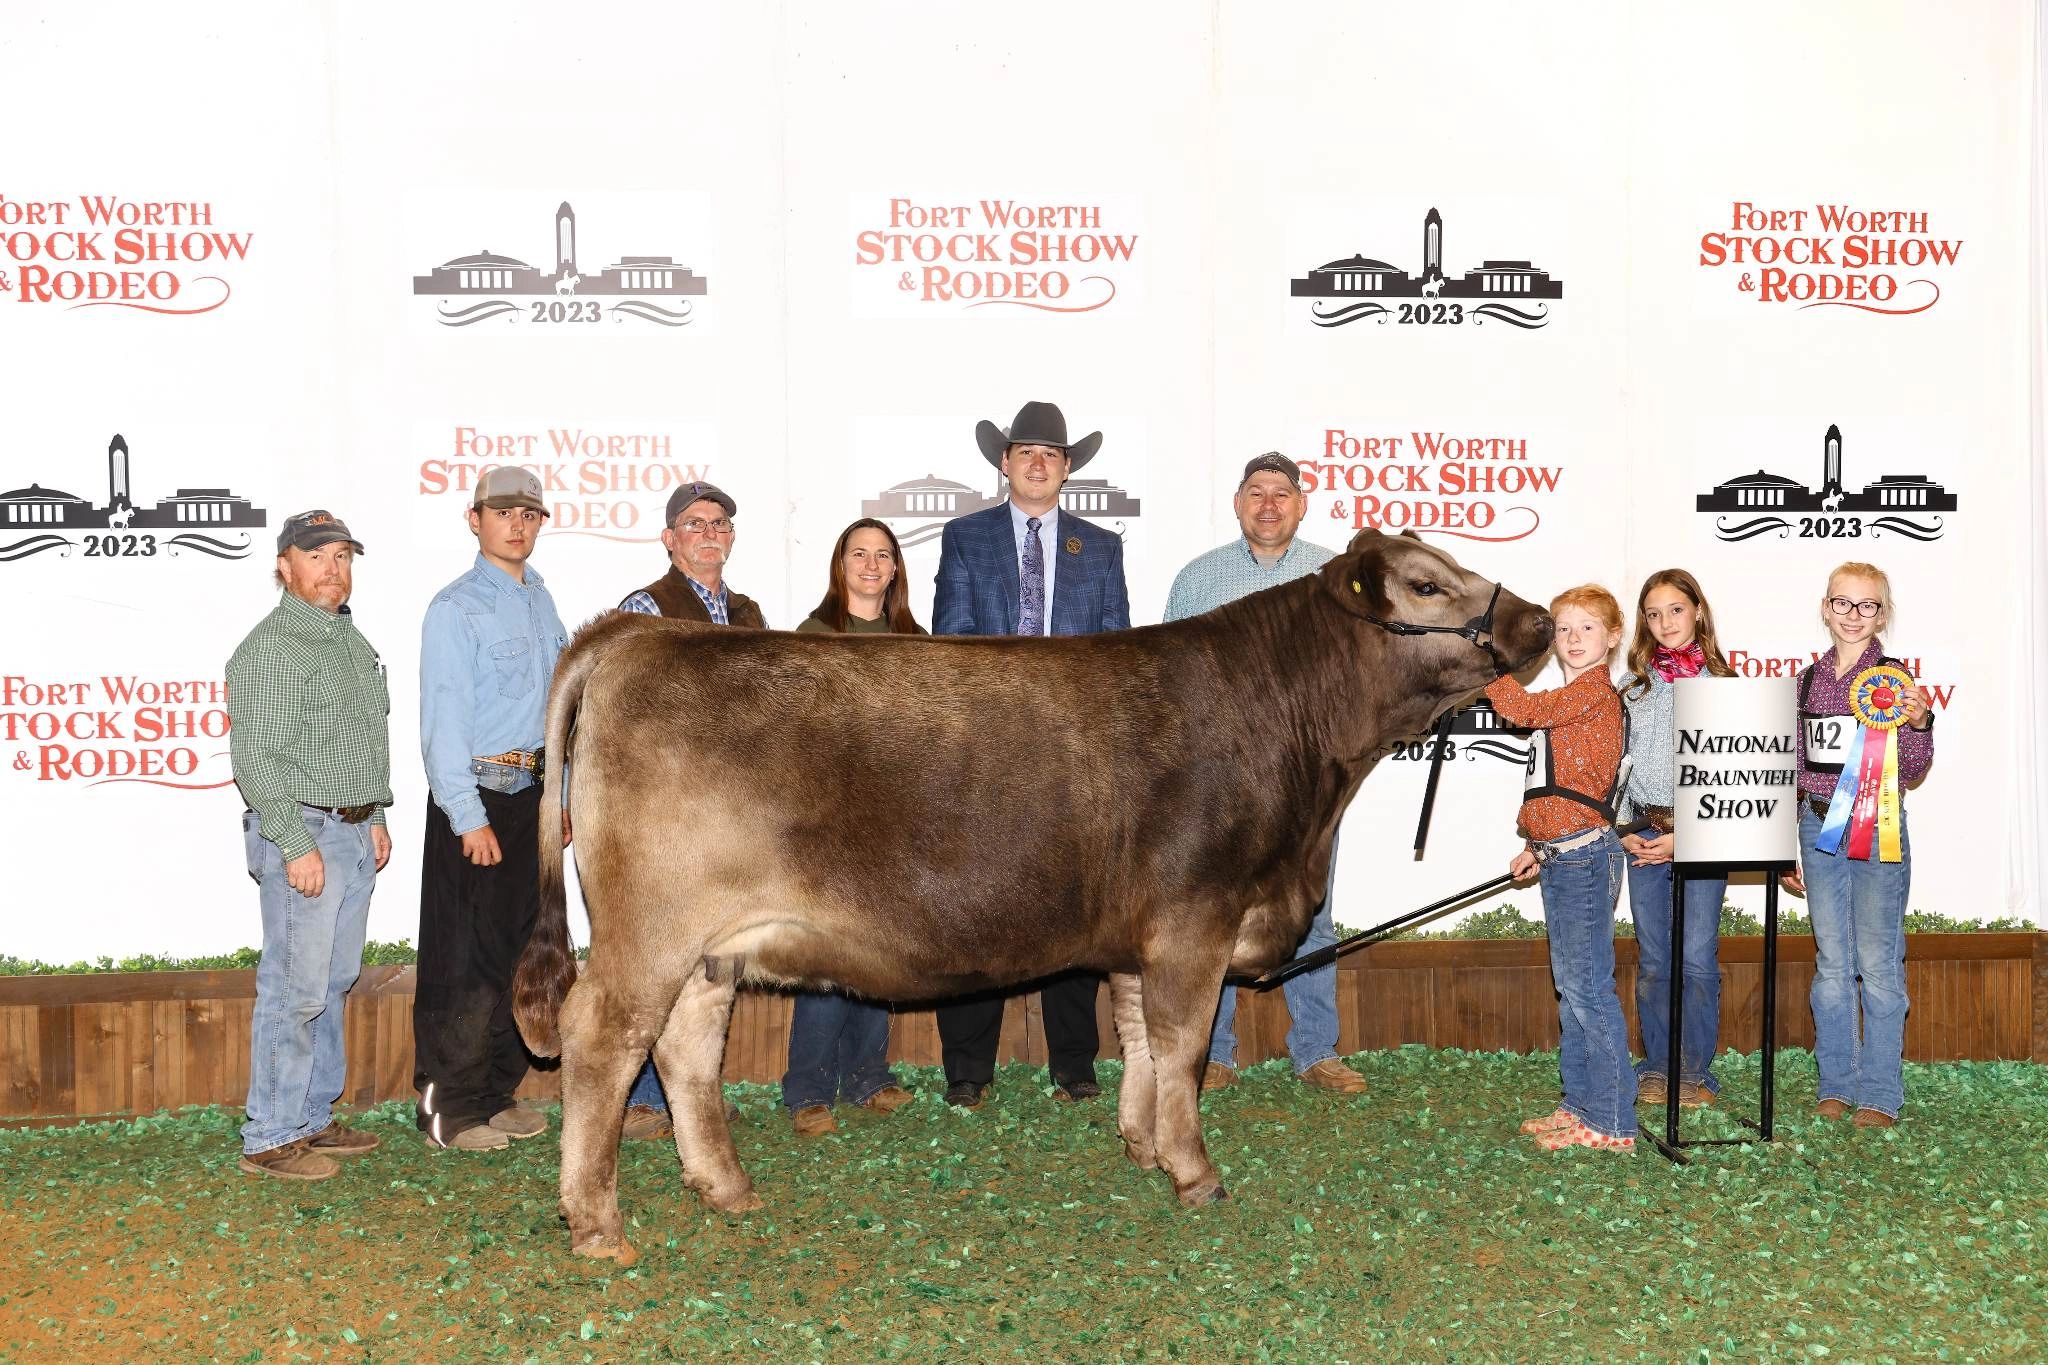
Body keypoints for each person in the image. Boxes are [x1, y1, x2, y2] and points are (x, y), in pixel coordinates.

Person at [931, 400, 1131, 1108]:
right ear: (1005, 463)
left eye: (1051, 452)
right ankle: (967, 1068)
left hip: (1074, 758)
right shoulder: (965, 537)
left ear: (1067, 467)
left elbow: (1116, 656)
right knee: (973, 900)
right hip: (985, 752)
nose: (1038, 461)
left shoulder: (1100, 547)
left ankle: (1074, 1062)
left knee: (1076, 902)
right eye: (1025, 452)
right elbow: (950, 645)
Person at [1162, 453, 1365, 1096]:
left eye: (1283, 493)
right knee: (1212, 915)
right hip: (1218, 782)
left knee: (1315, 912)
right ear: (1238, 503)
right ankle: (1214, 1053)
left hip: (1308, 782)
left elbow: (1359, 679)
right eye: (1257, 492)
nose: (1269, 503)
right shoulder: (1198, 580)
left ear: (1303, 505)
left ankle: (1316, 1050)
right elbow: (1169, 681)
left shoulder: (1335, 579)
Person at [226, 509, 393, 1180]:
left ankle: (311, 1114)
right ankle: (269, 1132)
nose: (333, 568)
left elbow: (360, 736)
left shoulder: (347, 639)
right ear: (285, 566)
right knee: (295, 986)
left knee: (330, 981)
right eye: (317, 555)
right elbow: (257, 758)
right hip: (307, 829)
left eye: (342, 556)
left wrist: (375, 810)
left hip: (350, 828)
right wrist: (295, 842)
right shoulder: (270, 648)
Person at [415, 467, 569, 1151]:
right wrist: (464, 812)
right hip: (479, 797)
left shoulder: (541, 600)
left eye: (529, 513)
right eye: (503, 512)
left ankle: (494, 1092)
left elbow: (557, 717)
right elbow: (442, 719)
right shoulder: (455, 607)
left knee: (518, 953)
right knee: (462, 959)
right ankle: (447, 1108)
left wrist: (560, 799)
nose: (517, 523)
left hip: (535, 798)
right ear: (474, 519)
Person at [615, 480, 762, 1140]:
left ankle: (693, 1088)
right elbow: (627, 716)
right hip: (669, 807)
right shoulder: (646, 606)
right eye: (694, 523)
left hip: (736, 811)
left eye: (720, 523)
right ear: (670, 538)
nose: (709, 532)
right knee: (660, 947)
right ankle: (645, 1096)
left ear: (730, 537)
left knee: (716, 953)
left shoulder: (751, 614)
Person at [780, 518, 924, 1136]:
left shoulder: (918, 640)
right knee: (826, 955)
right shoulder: (812, 637)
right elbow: (795, 736)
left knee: (877, 952)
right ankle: (807, 1089)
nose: (870, 565)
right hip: (830, 819)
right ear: (840, 566)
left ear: (895, 569)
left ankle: (869, 1076)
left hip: (894, 818)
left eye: (882, 556)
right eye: (858, 554)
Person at [1783, 562, 1934, 1129]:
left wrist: (1920, 723)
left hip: (1880, 832)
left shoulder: (1895, 681)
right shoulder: (1805, 683)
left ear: (1882, 613)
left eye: (1867, 605)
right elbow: (1797, 768)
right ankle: (1836, 1083)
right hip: (1816, 829)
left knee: (1879, 964)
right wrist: (1787, 845)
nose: (1853, 615)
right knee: (1832, 964)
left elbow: (1913, 769)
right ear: (1825, 607)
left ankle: (1878, 1092)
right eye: (1843, 604)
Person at [1489, 585, 1636, 1153]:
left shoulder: (1593, 695)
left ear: (1613, 636)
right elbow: (1563, 789)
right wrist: (1537, 845)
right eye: (1564, 629)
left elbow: (1521, 710)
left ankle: (1612, 1121)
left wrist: (1483, 663)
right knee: (1572, 988)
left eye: (1587, 629)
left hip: (1582, 858)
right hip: (1563, 853)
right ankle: (1581, 1104)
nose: (1574, 640)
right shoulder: (1572, 699)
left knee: (1587, 988)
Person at [1616, 570, 1736, 1109]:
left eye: (1676, 610)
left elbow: (1741, 779)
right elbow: (1616, 768)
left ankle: (1694, 1073)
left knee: (1695, 957)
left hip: (1706, 833)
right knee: (1656, 958)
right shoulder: (1632, 689)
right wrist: (1622, 831)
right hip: (1643, 831)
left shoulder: (1728, 687)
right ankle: (1658, 1068)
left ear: (1699, 613)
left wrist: (1687, 836)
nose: (1665, 622)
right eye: (1653, 613)